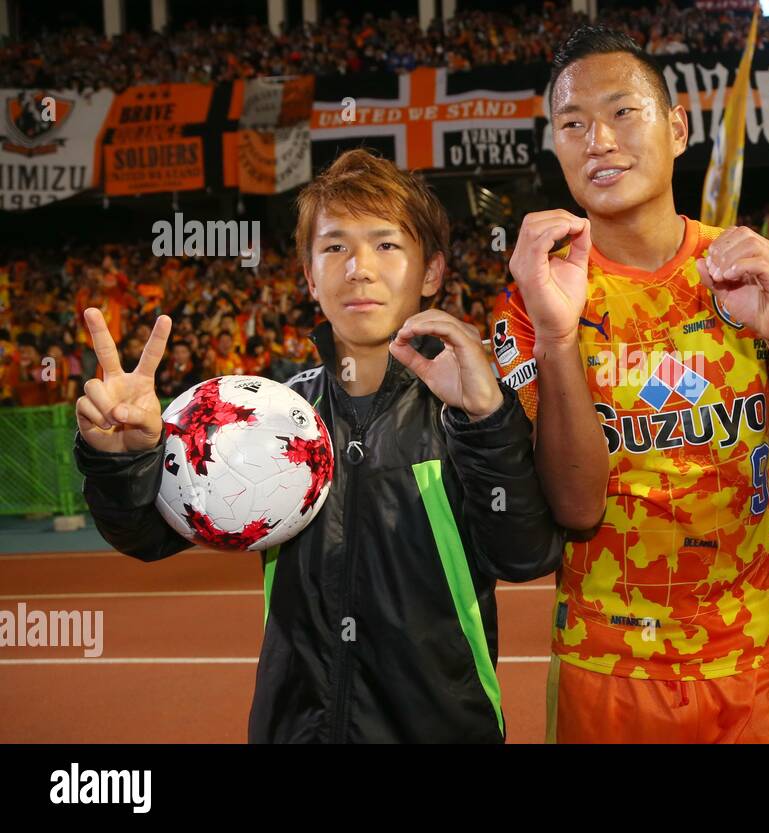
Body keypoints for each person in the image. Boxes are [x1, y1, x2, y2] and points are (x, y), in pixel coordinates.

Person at [73, 148, 564, 743]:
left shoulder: (469, 410)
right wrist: (123, 457)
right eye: (334, 247)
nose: (359, 267)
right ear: (309, 276)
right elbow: (147, 537)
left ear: (431, 271)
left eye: (386, 244)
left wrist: (487, 419)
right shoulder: (264, 417)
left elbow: (525, 555)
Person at [491, 26, 769, 743]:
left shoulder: (757, 269)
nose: (598, 139)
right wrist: (560, 335)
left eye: (622, 112)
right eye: (572, 123)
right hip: (607, 672)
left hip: (756, 667)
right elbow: (576, 505)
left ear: (677, 127)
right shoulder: (530, 299)